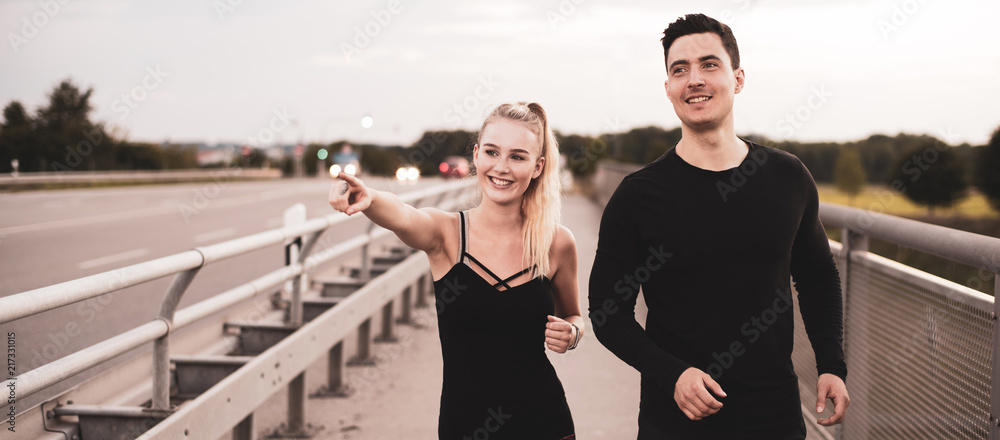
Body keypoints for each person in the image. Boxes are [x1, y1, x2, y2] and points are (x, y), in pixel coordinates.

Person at [588, 14, 850, 440]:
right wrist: (671, 373)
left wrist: (831, 365)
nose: (694, 79)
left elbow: (818, 276)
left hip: (775, 418)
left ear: (738, 79)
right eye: (680, 70)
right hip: (676, 423)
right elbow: (606, 310)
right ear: (668, 88)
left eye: (709, 64)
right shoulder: (638, 195)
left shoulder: (788, 177)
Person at [329, 102, 581, 440]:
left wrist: (572, 333)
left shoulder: (556, 242)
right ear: (476, 155)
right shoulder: (446, 234)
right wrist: (369, 197)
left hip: (544, 423)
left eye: (517, 157)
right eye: (492, 152)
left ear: (538, 167)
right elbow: (404, 215)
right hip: (464, 425)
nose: (501, 167)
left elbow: (574, 315)